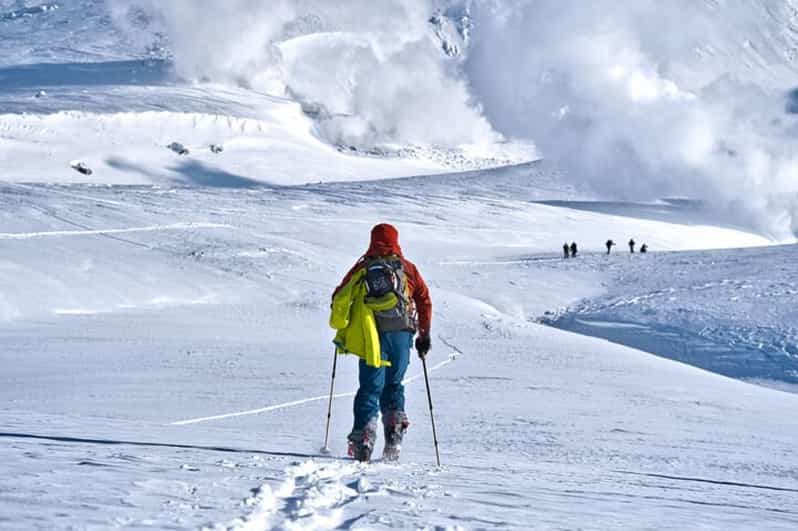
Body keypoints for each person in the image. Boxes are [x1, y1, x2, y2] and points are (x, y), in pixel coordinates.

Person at [330, 223, 432, 462]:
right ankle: (394, 434)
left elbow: (339, 296)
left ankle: (363, 438)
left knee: (370, 387)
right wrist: (424, 335)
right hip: (401, 334)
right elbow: (424, 299)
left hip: (371, 336)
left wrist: (341, 323)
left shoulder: (363, 267)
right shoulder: (407, 268)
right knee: (394, 384)